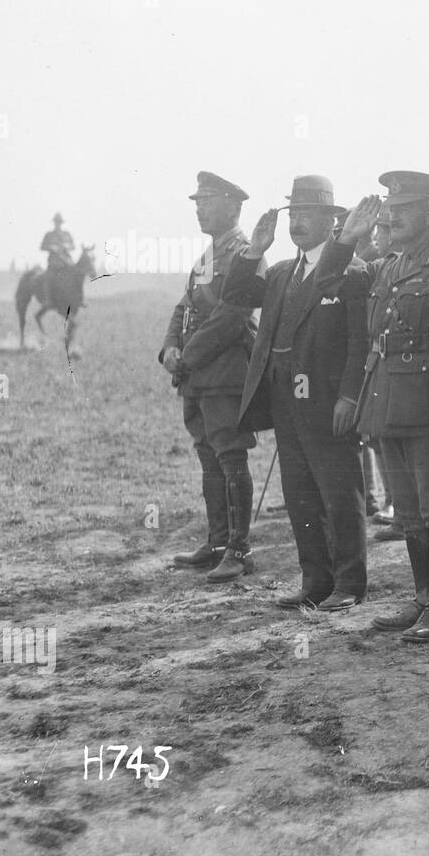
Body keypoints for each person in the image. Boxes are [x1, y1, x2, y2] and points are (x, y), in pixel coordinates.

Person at [324, 173, 429, 644]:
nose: (392, 215)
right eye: (390, 207)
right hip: (386, 404)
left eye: (405, 207)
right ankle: (421, 598)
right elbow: (332, 281)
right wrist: (347, 237)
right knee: (411, 514)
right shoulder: (385, 268)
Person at [222, 175, 369, 612]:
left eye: (308, 213)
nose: (298, 222)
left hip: (328, 400)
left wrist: (350, 397)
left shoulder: (352, 270)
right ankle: (316, 582)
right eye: (294, 214)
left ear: (331, 220)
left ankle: (349, 585)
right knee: (300, 493)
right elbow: (235, 295)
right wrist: (255, 250)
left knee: (340, 493)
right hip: (285, 397)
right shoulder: (283, 271)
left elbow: (360, 341)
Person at [161, 172, 263, 582]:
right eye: (197, 202)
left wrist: (188, 355)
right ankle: (218, 541)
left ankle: (240, 549)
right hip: (198, 374)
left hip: (223, 373)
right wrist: (169, 348)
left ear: (233, 207)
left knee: (230, 456)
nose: (199, 208)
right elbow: (184, 306)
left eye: (207, 201)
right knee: (208, 455)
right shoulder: (208, 255)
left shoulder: (245, 252)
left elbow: (233, 316)